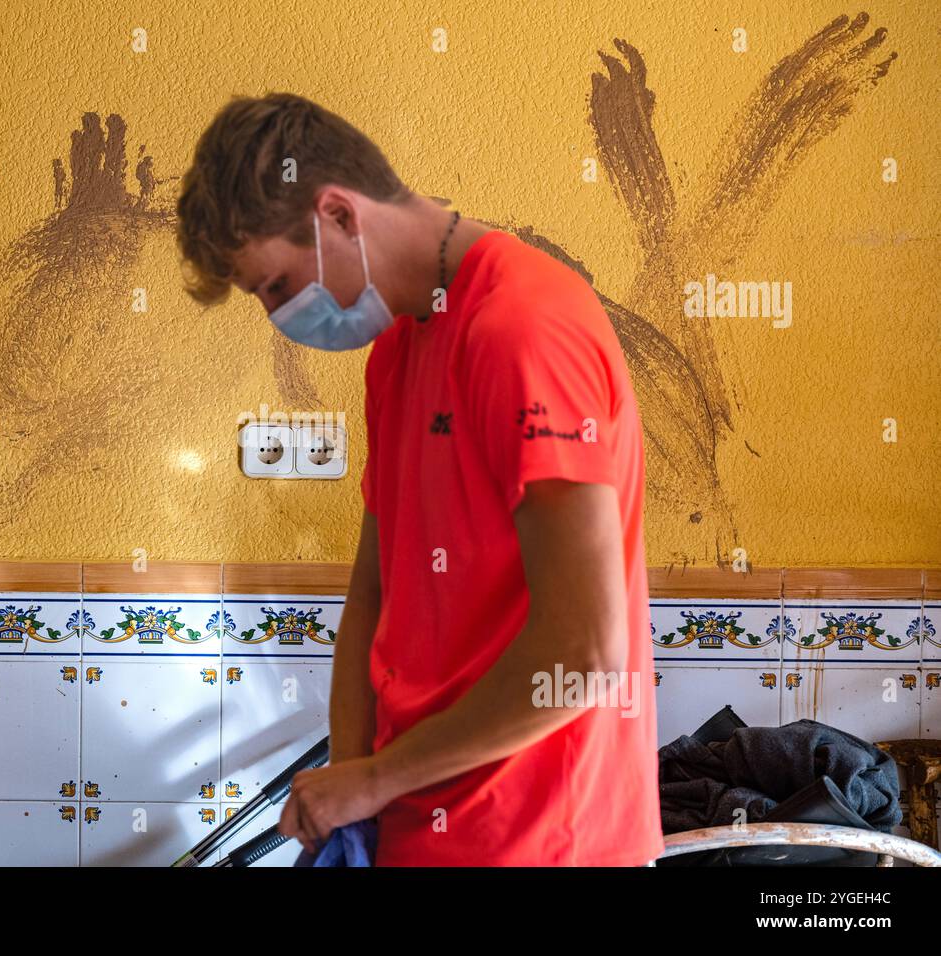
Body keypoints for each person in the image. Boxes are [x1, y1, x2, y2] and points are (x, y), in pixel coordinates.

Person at [175, 92, 664, 866]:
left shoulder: (523, 329)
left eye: (275, 285)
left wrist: (373, 781)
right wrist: (352, 781)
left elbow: (585, 655)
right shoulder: (399, 352)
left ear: (337, 213)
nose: (279, 314)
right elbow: (374, 593)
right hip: (420, 828)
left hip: (540, 840)